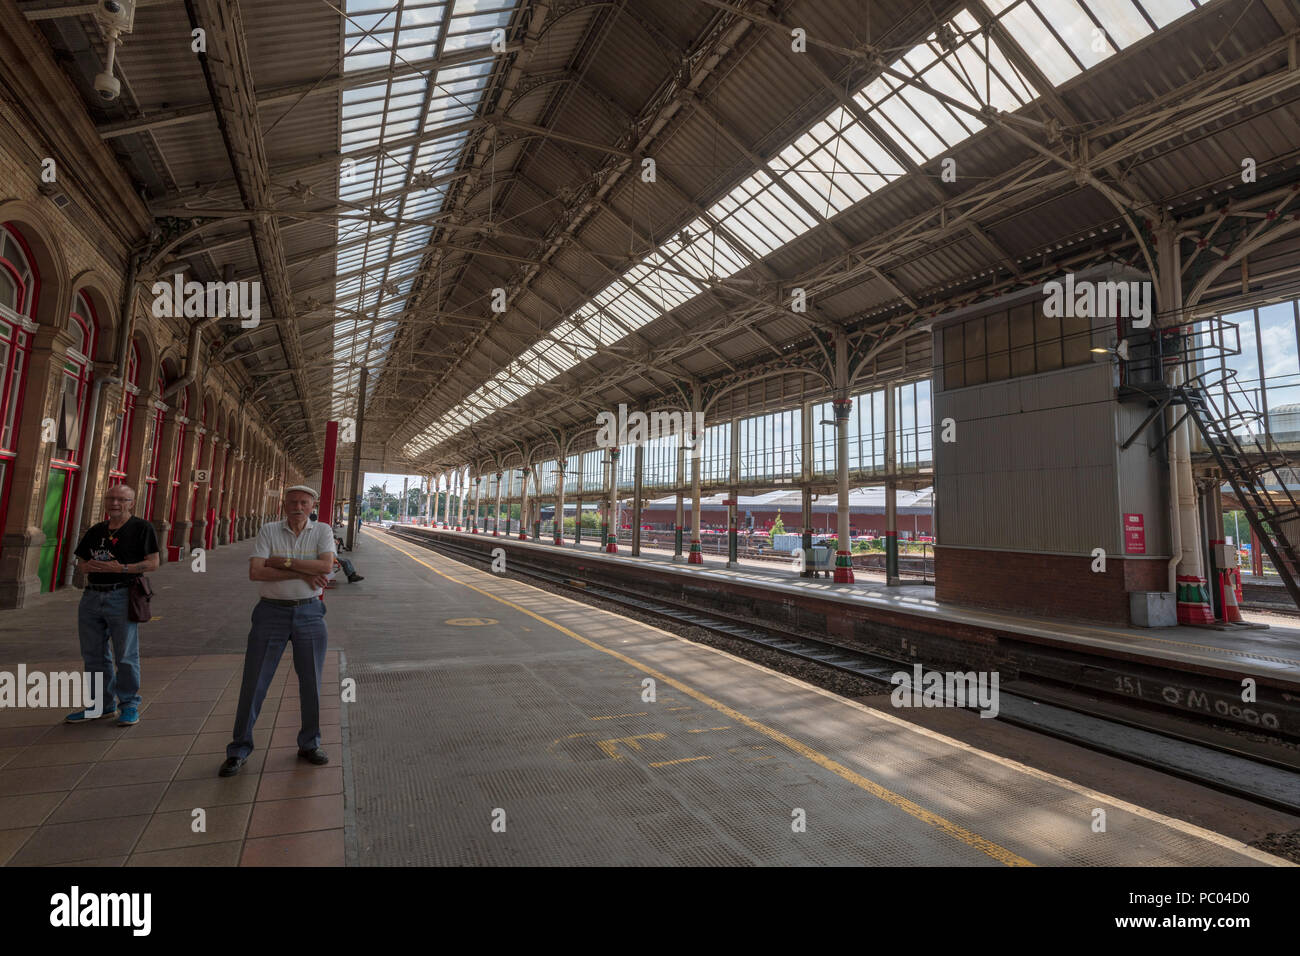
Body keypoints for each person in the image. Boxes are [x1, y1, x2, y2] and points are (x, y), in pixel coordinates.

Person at [220, 486, 335, 776]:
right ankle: (239, 749)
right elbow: (256, 572)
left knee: (311, 682)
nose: (298, 506)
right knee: (254, 681)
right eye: (293, 502)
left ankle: (310, 743)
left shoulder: (323, 530)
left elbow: (325, 565)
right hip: (270, 612)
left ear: (312, 506)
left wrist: (282, 562)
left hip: (310, 612)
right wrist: (303, 572)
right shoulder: (268, 530)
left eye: (304, 502)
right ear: (284, 505)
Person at [67, 485, 160, 725]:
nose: (115, 503)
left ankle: (129, 704)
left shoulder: (142, 528)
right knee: (93, 655)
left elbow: (153, 563)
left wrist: (121, 568)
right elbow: (81, 561)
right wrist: (86, 566)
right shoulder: (96, 530)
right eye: (110, 498)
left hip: (123, 594)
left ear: (132, 503)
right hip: (91, 596)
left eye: (121, 499)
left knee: (125, 654)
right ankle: (101, 705)